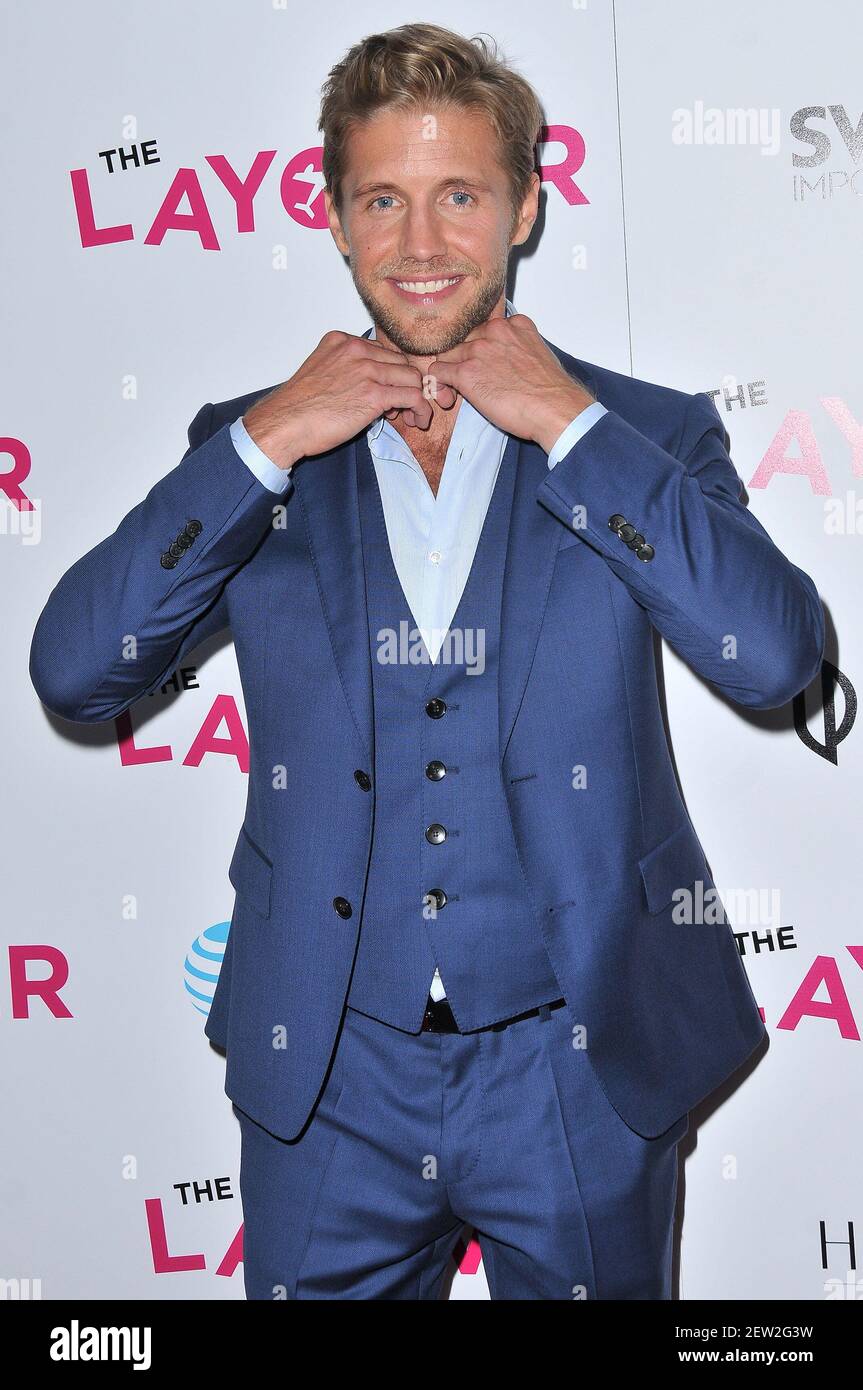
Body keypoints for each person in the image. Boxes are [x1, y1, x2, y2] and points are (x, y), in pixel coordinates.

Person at [29, 22, 824, 1299]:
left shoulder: (643, 432)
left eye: (459, 195)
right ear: (334, 218)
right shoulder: (257, 449)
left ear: (522, 208)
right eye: (382, 200)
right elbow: (75, 671)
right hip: (328, 1080)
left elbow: (775, 651)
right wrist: (268, 435)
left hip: (578, 1067)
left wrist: (569, 420)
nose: (419, 244)